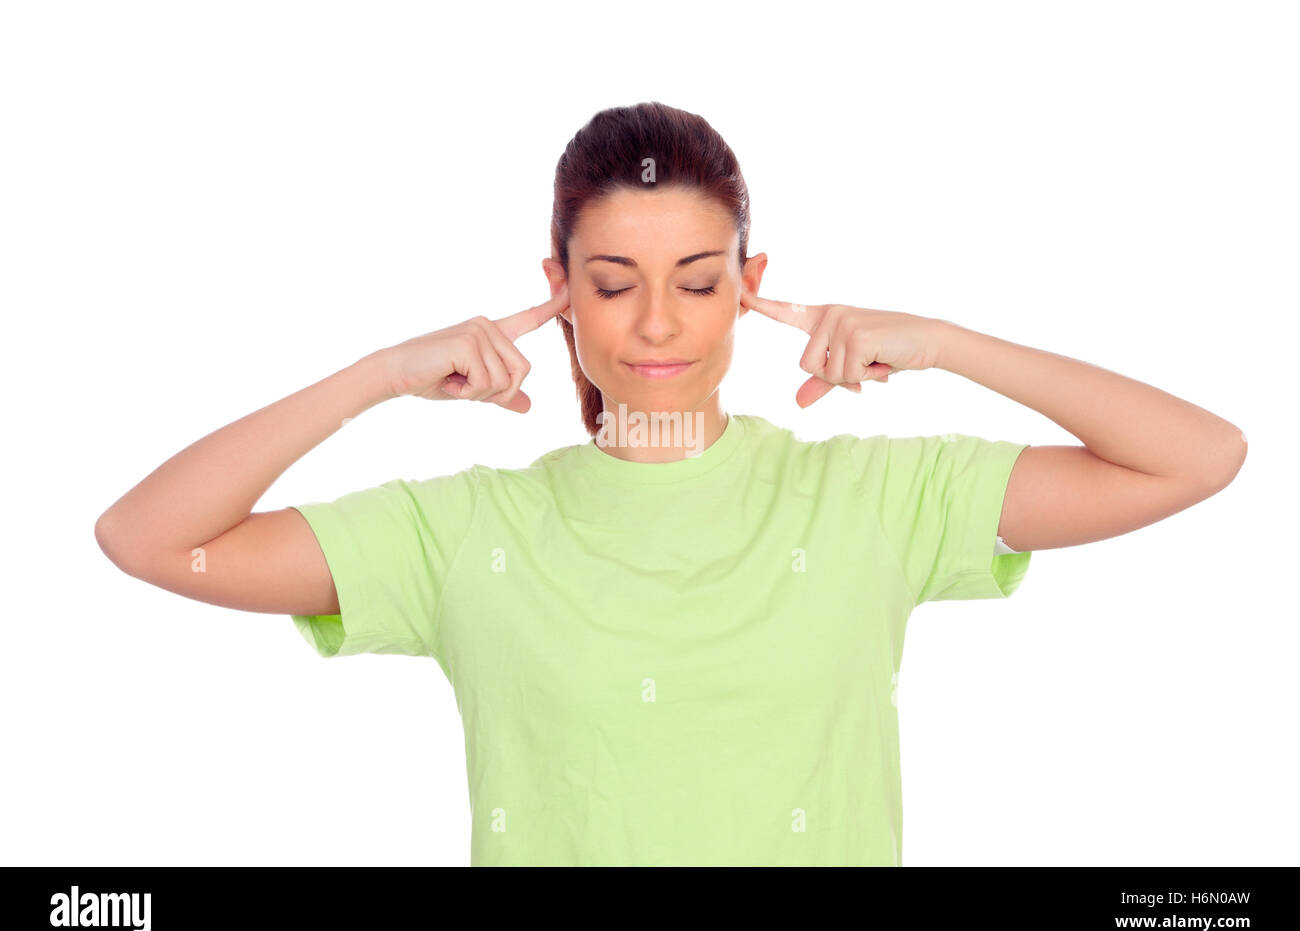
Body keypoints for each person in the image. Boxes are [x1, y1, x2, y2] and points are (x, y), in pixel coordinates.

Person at [94, 101, 1247, 866]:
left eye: (697, 282)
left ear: (750, 286)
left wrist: (947, 341)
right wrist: (380, 374)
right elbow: (149, 538)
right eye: (613, 282)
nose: (656, 323)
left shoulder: (872, 500)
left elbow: (1198, 454)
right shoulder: (463, 530)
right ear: (557, 291)